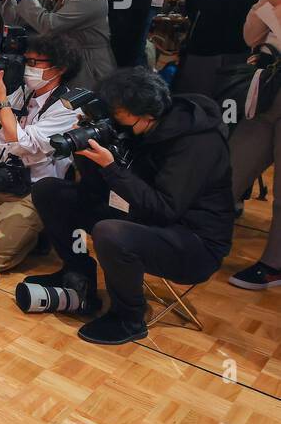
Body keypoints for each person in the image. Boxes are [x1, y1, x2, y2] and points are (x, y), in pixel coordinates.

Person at [29, 68, 234, 345]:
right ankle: (77, 276)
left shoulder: (197, 143)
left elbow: (164, 209)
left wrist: (112, 168)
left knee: (110, 232)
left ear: (145, 113)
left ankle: (128, 318)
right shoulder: (142, 126)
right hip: (143, 212)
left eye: (116, 114)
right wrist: (90, 152)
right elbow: (95, 191)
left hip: (194, 241)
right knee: (50, 191)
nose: (112, 120)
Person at [0, 33, 84, 272]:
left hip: (32, 192)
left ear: (60, 68)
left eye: (35, 63)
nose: (28, 68)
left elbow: (24, 144)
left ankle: (36, 232)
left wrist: (2, 99)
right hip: (1, 180)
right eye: (27, 61)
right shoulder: (25, 92)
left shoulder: (67, 109)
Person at [227, 0, 281, 290]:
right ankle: (203, 237)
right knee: (232, 168)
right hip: (266, 90)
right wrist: (266, 0)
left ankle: (275, 264)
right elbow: (250, 37)